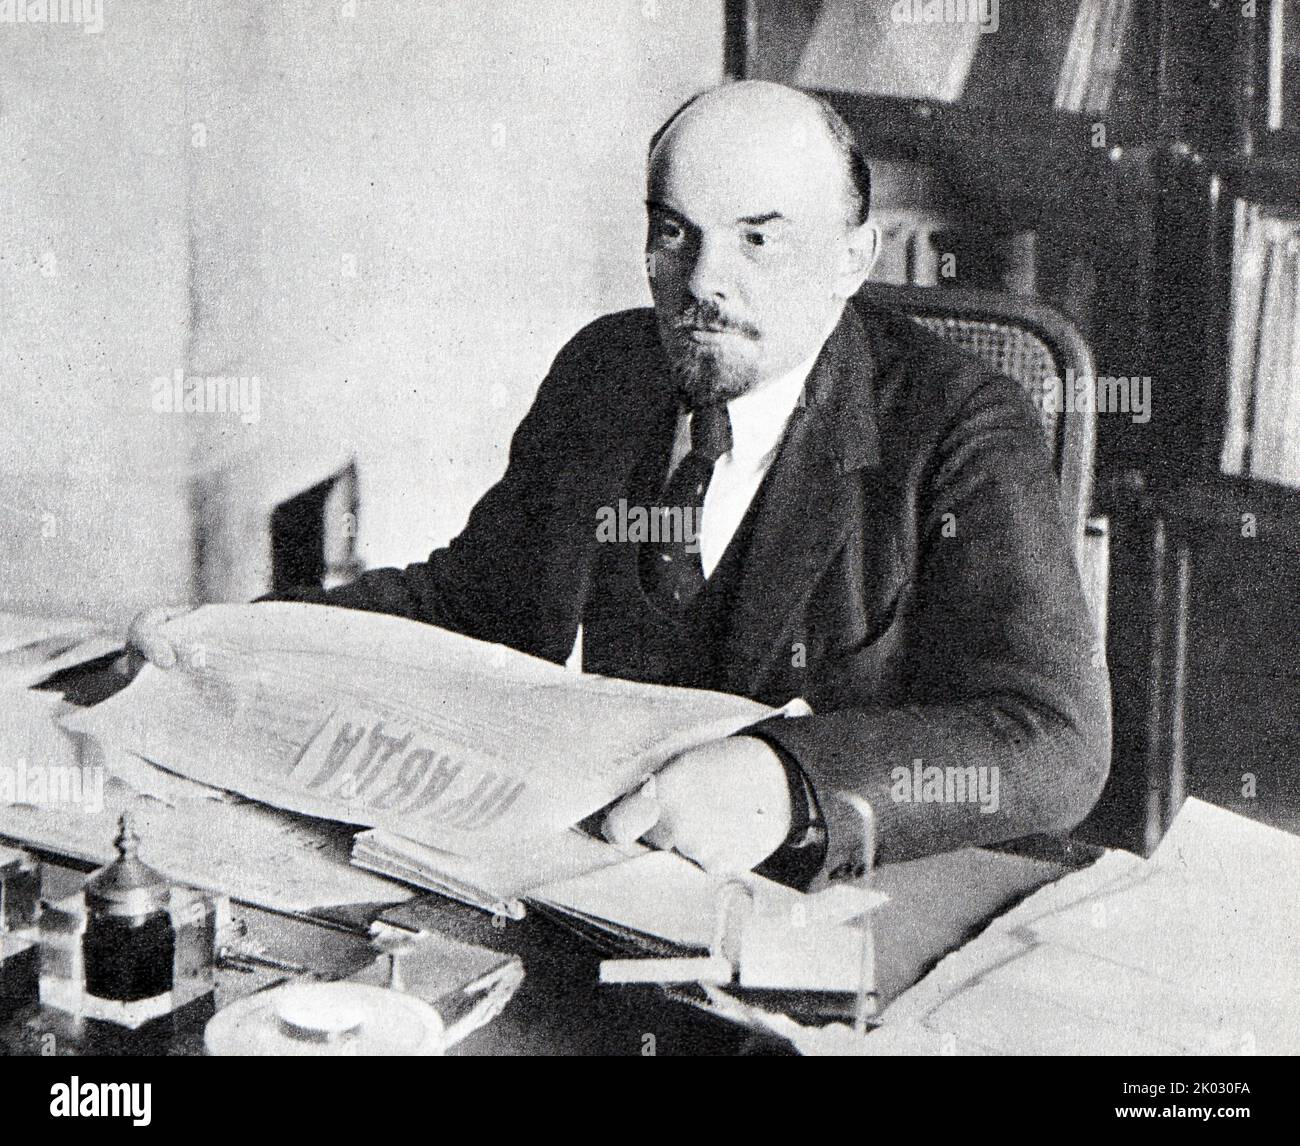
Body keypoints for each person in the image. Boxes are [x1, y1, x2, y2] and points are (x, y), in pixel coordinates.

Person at [131, 81, 1110, 888]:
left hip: (823, 908)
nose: (702, 283)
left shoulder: (956, 422)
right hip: (586, 884)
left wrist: (786, 782)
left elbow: (1051, 741)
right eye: (673, 233)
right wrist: (241, 642)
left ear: (850, 259)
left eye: (757, 239)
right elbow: (463, 606)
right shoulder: (607, 370)